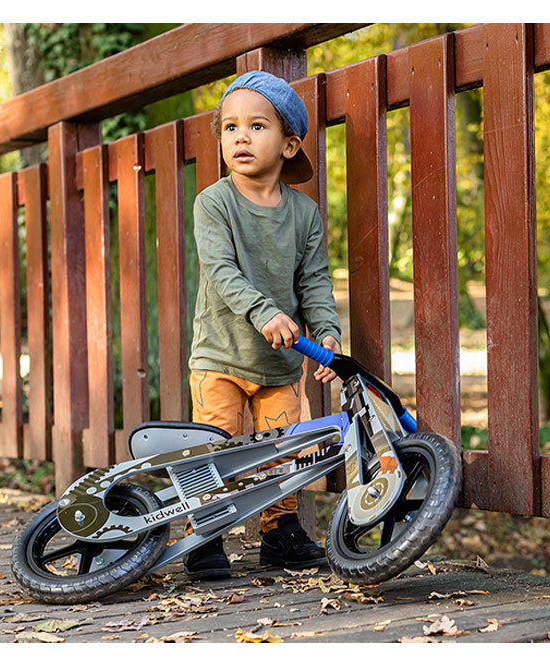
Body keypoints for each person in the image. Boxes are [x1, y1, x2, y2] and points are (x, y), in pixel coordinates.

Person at [183, 71, 343, 579]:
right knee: (215, 447)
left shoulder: (305, 213)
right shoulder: (214, 202)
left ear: (290, 144)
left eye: (256, 126)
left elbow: (315, 281)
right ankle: (203, 535)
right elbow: (221, 270)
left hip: (280, 362)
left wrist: (328, 332)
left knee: (285, 450)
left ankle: (280, 534)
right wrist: (264, 311)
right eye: (229, 128)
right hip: (221, 356)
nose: (241, 137)